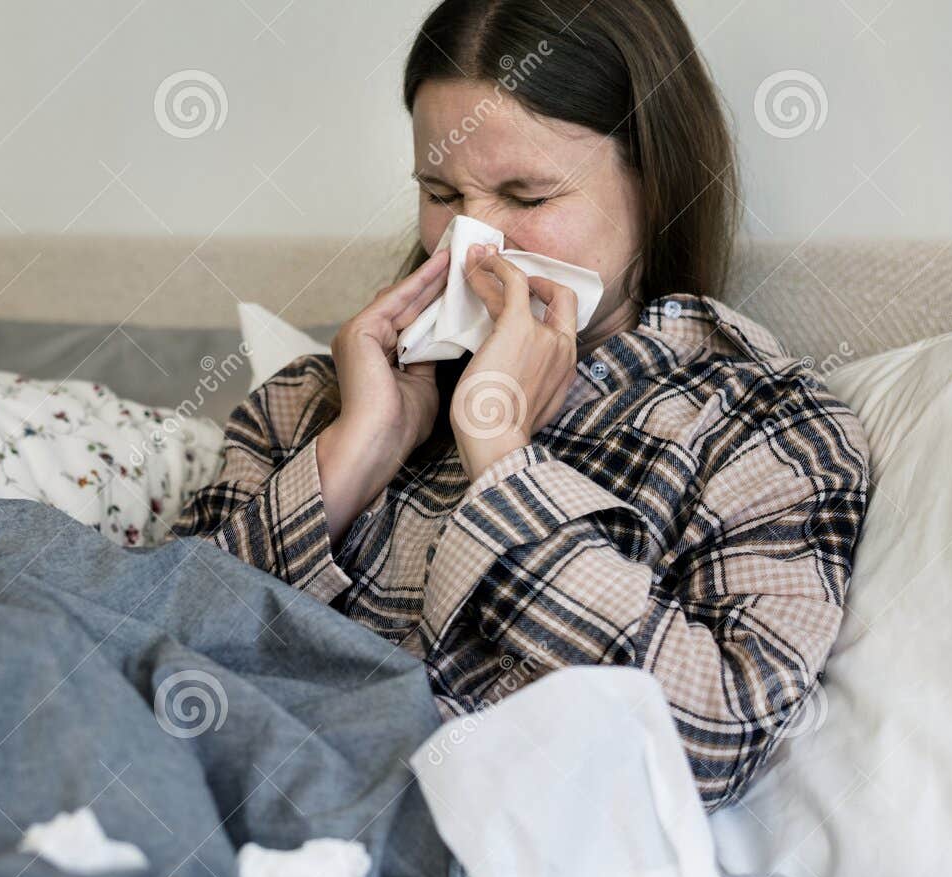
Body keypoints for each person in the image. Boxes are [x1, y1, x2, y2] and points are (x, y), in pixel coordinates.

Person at [174, 0, 869, 808]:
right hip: (171, 806)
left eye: (527, 196)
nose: (473, 245)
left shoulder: (762, 432)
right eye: (441, 192)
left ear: (656, 180)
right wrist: (358, 453)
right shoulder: (313, 402)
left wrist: (501, 453)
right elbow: (145, 654)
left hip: (401, 866)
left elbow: (705, 749)